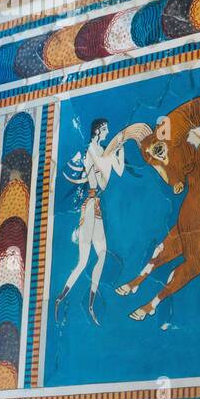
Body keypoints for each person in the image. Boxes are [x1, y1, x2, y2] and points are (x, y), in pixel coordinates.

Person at [55, 117, 127, 323]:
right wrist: (111, 152)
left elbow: (119, 171)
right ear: (97, 131)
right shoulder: (91, 150)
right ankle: (60, 299)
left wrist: (120, 150)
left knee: (102, 254)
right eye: (105, 129)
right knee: (83, 261)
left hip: (96, 208)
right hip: (89, 207)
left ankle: (91, 304)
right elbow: (103, 176)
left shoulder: (104, 152)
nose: (107, 132)